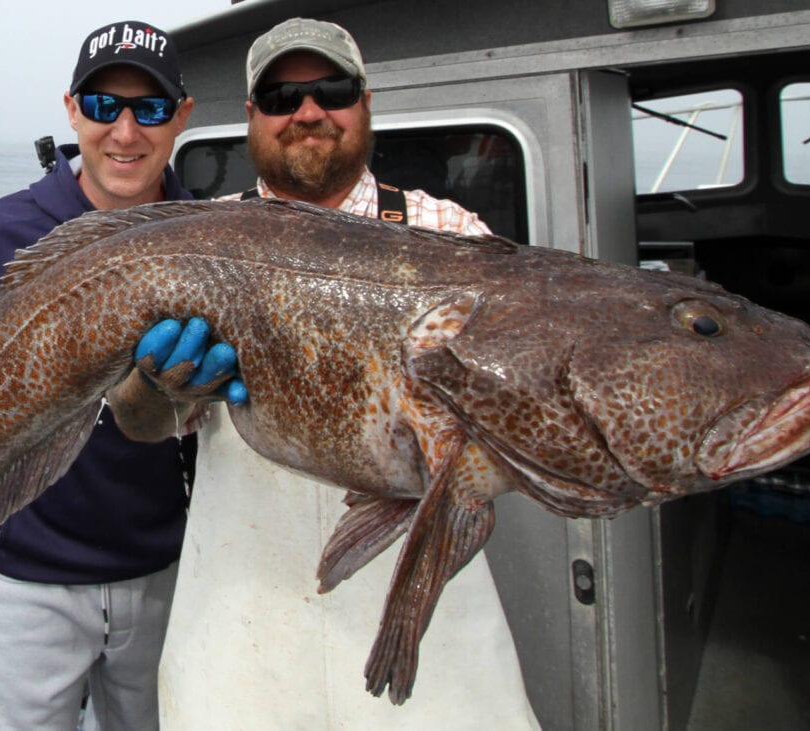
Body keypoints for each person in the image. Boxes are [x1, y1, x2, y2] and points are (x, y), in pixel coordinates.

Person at [155, 17, 541, 730]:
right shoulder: (195, 244)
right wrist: (148, 387)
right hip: (240, 630)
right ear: (251, 117)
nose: (307, 111)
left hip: (430, 627)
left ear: (365, 100)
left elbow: (527, 413)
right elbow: (138, 423)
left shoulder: (455, 236)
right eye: (280, 97)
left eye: (330, 89)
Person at [0, 20, 228, 731]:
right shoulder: (0, 236)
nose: (125, 132)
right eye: (104, 107)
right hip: (28, 580)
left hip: (168, 570)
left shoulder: (213, 241)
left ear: (182, 118)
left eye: (150, 109)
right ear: (71, 109)